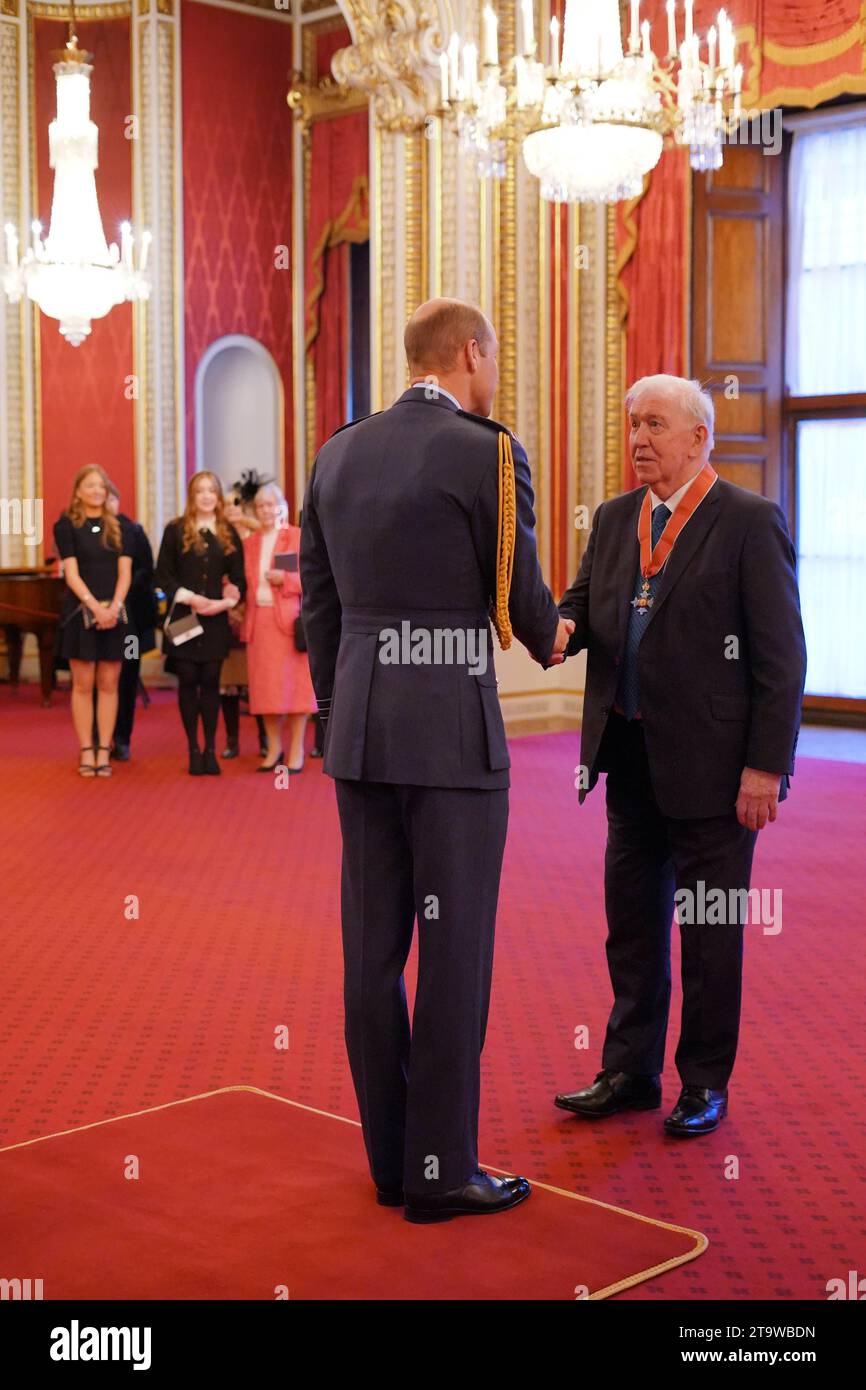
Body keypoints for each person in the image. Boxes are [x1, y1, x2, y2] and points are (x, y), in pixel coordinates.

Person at [301, 297, 572, 1222]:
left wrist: (340, 715)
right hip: (452, 731)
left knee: (370, 956)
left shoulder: (337, 451)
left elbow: (320, 609)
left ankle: (389, 1163)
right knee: (453, 952)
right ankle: (441, 1169)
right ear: (470, 353)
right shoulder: (488, 450)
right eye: (492, 358)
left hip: (362, 733)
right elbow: (521, 592)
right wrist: (557, 635)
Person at [554, 374, 807, 1136]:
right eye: (633, 425)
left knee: (708, 933)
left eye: (655, 426)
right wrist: (560, 626)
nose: (639, 440)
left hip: (716, 774)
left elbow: (781, 658)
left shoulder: (749, 522)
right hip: (627, 760)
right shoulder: (612, 519)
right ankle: (629, 1071)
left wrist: (766, 768)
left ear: (699, 439)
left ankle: (703, 1081)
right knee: (631, 927)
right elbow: (581, 602)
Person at [155, 472, 245, 776]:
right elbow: (163, 577)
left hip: (216, 620)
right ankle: (192, 748)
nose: (206, 496)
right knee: (188, 680)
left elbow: (238, 581)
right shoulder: (175, 530)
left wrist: (225, 601)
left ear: (218, 497)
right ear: (191, 497)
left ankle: (210, 749)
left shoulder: (228, 533)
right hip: (184, 617)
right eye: (199, 491)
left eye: (211, 491)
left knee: (210, 681)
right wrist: (192, 599)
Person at [54, 466, 134, 777]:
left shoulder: (121, 527)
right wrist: (94, 609)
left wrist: (112, 608)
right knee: (83, 685)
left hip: (117, 615)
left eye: (101, 485)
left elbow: (125, 573)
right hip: (80, 614)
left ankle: (105, 750)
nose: (97, 491)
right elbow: (71, 574)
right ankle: (86, 747)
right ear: (78, 491)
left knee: (110, 684)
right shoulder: (66, 526)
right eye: (90, 485)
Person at [241, 483, 316, 772]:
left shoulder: (293, 538)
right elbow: (242, 580)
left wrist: (283, 581)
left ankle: (296, 750)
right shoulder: (250, 543)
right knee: (266, 692)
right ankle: (273, 748)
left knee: (294, 691)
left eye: (270, 505)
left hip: (287, 624)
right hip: (258, 622)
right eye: (260, 506)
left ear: (281, 507)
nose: (265, 511)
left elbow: (308, 582)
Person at [105, 482, 156, 761]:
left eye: (111, 498)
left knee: (127, 678)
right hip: (101, 622)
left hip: (132, 626)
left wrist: (120, 595)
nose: (107, 503)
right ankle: (102, 738)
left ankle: (122, 738)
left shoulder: (133, 531)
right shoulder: (92, 534)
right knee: (102, 680)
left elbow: (147, 571)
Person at [221, 475, 266, 760]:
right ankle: (231, 740)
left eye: (238, 504)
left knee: (257, 681)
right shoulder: (217, 536)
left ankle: (265, 739)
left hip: (255, 617)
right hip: (224, 616)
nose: (233, 509)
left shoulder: (258, 536)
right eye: (228, 504)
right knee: (227, 683)